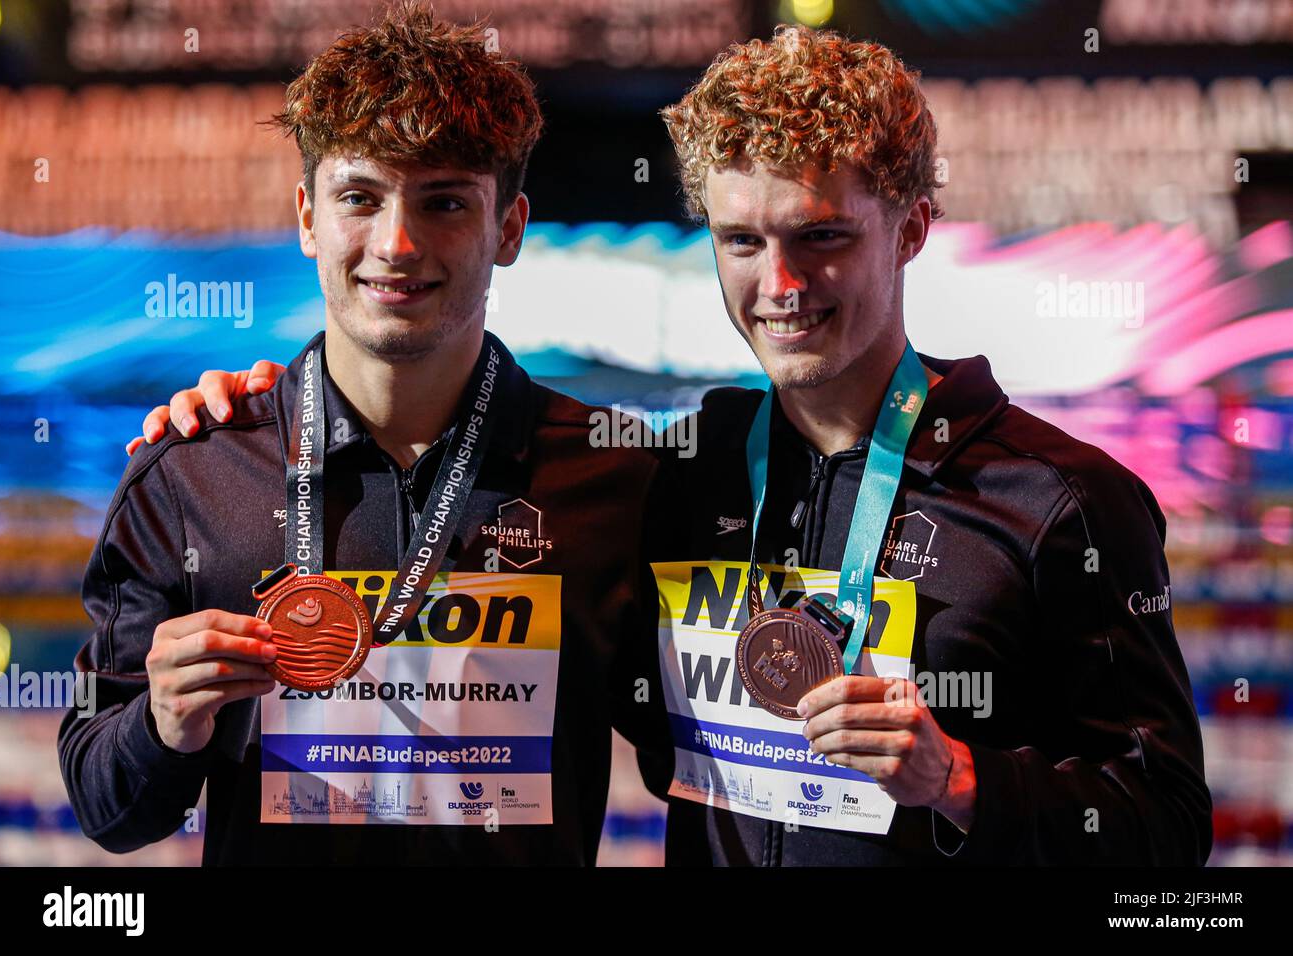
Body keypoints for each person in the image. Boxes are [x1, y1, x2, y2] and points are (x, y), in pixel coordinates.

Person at [137, 25, 1212, 866]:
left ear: (913, 229)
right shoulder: (682, 473)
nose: (780, 284)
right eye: (742, 239)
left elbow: (1167, 825)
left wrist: (960, 780)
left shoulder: (1062, 501)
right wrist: (270, 408)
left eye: (822, 235)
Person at [62, 4, 669, 866]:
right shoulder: (194, 474)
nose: (397, 243)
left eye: (444, 201)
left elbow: (709, 768)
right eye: (359, 198)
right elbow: (105, 808)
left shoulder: (614, 475)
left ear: (508, 228)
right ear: (308, 218)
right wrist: (162, 725)